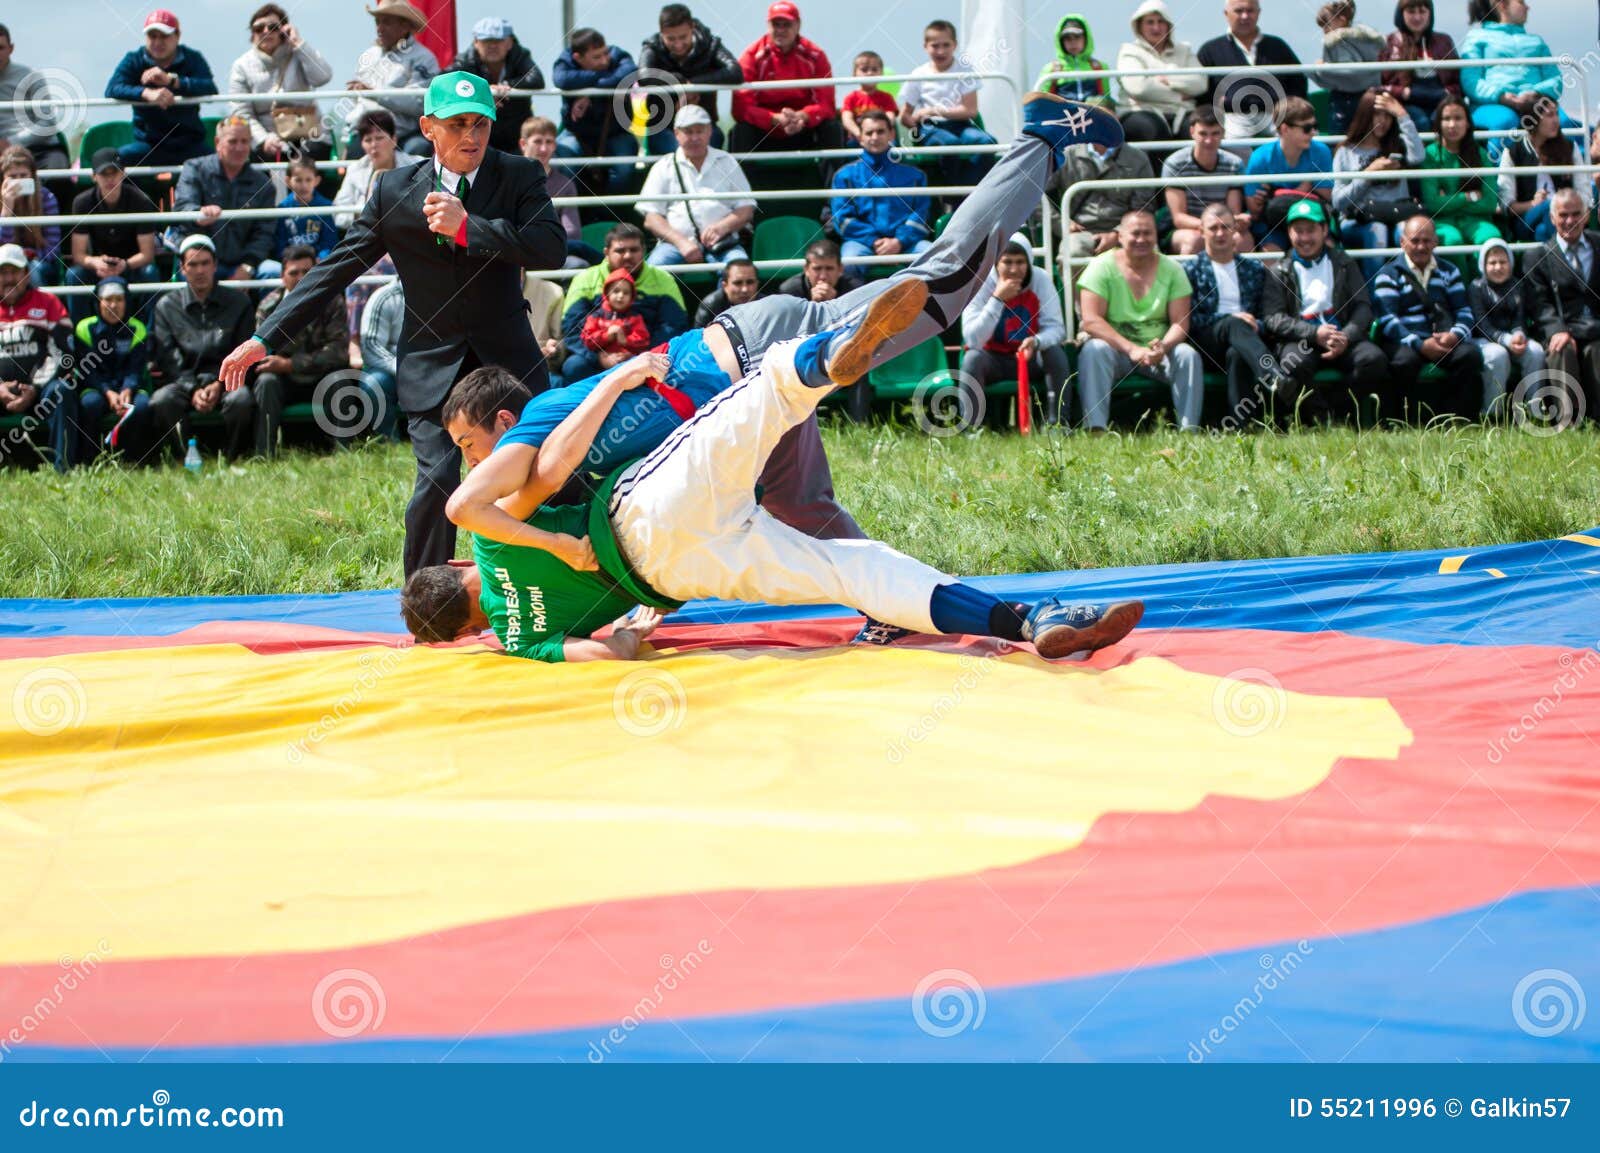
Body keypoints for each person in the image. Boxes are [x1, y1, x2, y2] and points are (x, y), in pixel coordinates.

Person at [438, 92, 1125, 602]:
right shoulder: (540, 465)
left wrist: (539, 543)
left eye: (469, 445)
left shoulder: (530, 436)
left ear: (500, 423)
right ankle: (894, 601)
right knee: (806, 511)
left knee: (945, 286)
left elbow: (467, 508)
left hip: (750, 352)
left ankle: (1040, 137)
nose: (473, 463)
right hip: (750, 390)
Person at [406, 290, 1146, 664]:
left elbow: (603, 653)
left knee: (851, 570)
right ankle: (830, 356)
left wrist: (629, 631)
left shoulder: (513, 634)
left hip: (684, 570)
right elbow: (495, 496)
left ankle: (1027, 622)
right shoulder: (497, 539)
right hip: (635, 512)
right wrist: (567, 545)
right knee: (758, 399)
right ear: (453, 563)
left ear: (462, 630)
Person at [218, 71, 567, 575]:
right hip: (431, 363)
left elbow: (550, 249)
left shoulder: (519, 175)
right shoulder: (392, 190)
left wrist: (471, 228)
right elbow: (335, 269)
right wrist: (263, 336)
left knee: (539, 475)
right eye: (457, 124)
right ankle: (428, 606)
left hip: (507, 361)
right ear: (428, 127)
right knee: (439, 482)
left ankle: (551, 593)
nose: (471, 137)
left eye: (481, 124)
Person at [1259, 199, 1387, 421]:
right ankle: (1318, 417)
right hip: (1302, 338)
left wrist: (1346, 336)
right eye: (1299, 231)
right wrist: (1312, 333)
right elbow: (1273, 318)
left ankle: (1339, 412)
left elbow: (1363, 306)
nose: (1305, 238)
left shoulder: (1344, 262)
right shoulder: (1279, 270)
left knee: (1373, 359)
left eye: (1311, 230)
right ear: (1289, 233)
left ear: (1324, 230)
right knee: (1293, 362)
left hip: (1342, 334)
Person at [1077, 210, 1202, 431]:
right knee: (1093, 350)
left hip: (1158, 352)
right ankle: (1095, 428)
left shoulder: (1173, 269)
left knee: (1187, 355)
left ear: (1156, 236)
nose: (1142, 239)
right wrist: (1132, 349)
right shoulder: (1100, 267)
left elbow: (1180, 322)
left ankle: (1189, 430)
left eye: (1148, 233)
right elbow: (1091, 321)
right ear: (1121, 236)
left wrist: (1163, 346)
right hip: (1115, 351)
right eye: (1135, 233)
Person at [150, 235, 257, 460]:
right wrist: (193, 389)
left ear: (215, 265)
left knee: (241, 400)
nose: (200, 270)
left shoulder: (239, 303)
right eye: (193, 264)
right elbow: (169, 358)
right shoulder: (166, 306)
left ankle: (233, 456)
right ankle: (185, 458)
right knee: (162, 400)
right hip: (184, 380)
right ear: (182, 268)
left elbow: (243, 351)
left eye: (205, 263)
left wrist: (219, 384)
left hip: (228, 380)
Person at [1371, 215, 1483, 418]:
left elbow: (1464, 312)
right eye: (1414, 241)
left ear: (1436, 242)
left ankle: (1458, 418)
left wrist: (1455, 336)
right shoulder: (1388, 273)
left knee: (1470, 356)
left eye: (1426, 241)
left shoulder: (1450, 271)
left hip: (1444, 339)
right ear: (1402, 242)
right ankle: (1405, 420)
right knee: (1403, 362)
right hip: (1406, 341)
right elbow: (1387, 320)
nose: (1421, 246)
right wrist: (1419, 344)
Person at [332, 109, 421, 363]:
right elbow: (339, 213)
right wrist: (369, 213)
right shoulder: (356, 171)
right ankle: (355, 341)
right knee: (356, 272)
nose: (373, 145)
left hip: (409, 241)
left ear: (393, 138)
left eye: (379, 138)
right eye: (368, 140)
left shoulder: (416, 164)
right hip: (373, 242)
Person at [1182, 202, 1285, 415]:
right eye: (1213, 228)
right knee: (1233, 323)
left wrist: (1253, 324)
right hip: (1207, 343)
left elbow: (1267, 316)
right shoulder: (1190, 270)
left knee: (1236, 353)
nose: (1220, 233)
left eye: (1226, 227)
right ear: (1201, 231)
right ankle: (1273, 376)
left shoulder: (1254, 269)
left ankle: (1242, 424)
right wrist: (1231, 319)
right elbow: (1190, 320)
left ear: (1235, 230)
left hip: (1246, 342)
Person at [252, 244, 355, 454]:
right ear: (283, 276)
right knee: (266, 382)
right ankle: (264, 454)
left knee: (341, 379)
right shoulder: (268, 307)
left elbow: (338, 352)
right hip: (285, 383)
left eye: (306, 272)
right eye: (293, 273)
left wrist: (290, 364)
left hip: (322, 377)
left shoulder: (333, 300)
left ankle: (345, 454)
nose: (300, 278)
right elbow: (265, 356)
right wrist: (284, 366)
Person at [960, 236, 1071, 425]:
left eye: (1020, 262)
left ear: (1029, 262)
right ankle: (970, 427)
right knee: (972, 358)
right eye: (1007, 262)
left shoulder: (1041, 279)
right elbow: (972, 338)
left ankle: (1058, 423)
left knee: (1055, 353)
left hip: (1029, 356)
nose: (1013, 269)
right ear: (996, 263)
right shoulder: (981, 282)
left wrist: (1037, 341)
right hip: (992, 357)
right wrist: (997, 300)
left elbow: (1056, 328)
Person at [560, 224, 689, 381]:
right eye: (620, 250)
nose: (628, 255)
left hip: (649, 355)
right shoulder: (585, 279)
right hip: (596, 356)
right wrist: (600, 357)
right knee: (574, 366)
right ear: (606, 253)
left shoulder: (663, 279)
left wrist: (641, 356)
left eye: (634, 250)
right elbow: (572, 327)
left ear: (644, 251)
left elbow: (673, 326)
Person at [636, 104, 754, 268]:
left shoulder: (727, 161)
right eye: (688, 132)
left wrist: (723, 227)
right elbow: (651, 218)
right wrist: (681, 242)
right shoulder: (663, 166)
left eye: (700, 131)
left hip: (723, 243)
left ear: (710, 132)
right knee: (655, 270)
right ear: (677, 134)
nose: (695, 137)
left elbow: (746, 208)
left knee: (741, 271)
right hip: (673, 246)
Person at [1331, 88, 1425, 280]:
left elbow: (1418, 156)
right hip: (1359, 221)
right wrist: (1368, 175)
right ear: (1366, 115)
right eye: (1377, 115)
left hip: (1396, 215)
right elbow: (1338, 201)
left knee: (1408, 231)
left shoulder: (1398, 145)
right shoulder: (1346, 151)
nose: (1383, 121)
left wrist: (1402, 114)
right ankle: (1376, 297)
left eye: (1388, 116)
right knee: (1378, 231)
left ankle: (1408, 291)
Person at [104, 9, 217, 168]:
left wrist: (172, 81)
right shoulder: (134, 59)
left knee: (220, 164)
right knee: (112, 163)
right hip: (149, 144)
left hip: (189, 142)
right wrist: (146, 93)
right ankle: (134, 194)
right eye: (152, 36)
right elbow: (112, 88)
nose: (157, 42)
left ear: (177, 36)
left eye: (164, 36)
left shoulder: (192, 58)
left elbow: (209, 87)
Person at [1524, 188, 1600, 425]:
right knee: (1562, 350)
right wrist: (1557, 328)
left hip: (1596, 328)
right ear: (1553, 217)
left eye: (1576, 214)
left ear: (1586, 215)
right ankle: (1568, 420)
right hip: (1561, 327)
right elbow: (1538, 303)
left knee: (1597, 350)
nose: (1570, 221)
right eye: (1563, 215)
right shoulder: (1537, 256)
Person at [172, 117, 279, 282]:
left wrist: (247, 267)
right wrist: (198, 215)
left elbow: (264, 234)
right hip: (202, 260)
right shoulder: (194, 169)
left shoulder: (263, 184)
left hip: (245, 263)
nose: (240, 147)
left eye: (245, 141)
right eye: (232, 141)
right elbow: (182, 208)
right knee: (192, 269)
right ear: (217, 142)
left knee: (273, 272)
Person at [899, 20, 998, 190]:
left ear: (955, 45)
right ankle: (954, 192)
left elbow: (970, 110)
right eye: (935, 45)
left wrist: (934, 110)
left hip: (960, 126)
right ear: (925, 46)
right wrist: (914, 121)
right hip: (930, 129)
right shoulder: (918, 74)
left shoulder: (965, 71)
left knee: (986, 141)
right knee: (949, 143)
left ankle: (971, 190)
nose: (941, 51)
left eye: (946, 45)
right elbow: (905, 115)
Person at [0, 242, 74, 471]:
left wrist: (34, 388)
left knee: (62, 390)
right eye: (2, 272)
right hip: (2, 393)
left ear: (27, 274)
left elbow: (63, 354)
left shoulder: (48, 303)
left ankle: (63, 468)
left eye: (14, 272)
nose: (9, 278)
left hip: (41, 391)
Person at [227, 5, 334, 163]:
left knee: (309, 161)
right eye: (259, 28)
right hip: (268, 136)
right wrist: (264, 139)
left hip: (308, 132)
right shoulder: (241, 65)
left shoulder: (299, 53)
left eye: (273, 27)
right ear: (252, 34)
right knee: (262, 161)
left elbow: (323, 77)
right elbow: (241, 111)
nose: (266, 31)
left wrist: (299, 44)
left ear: (284, 31)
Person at [730, 2, 841, 153]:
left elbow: (827, 104)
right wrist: (774, 119)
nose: (781, 30)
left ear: (798, 25)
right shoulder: (753, 56)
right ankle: (740, 178)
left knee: (832, 127)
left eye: (786, 24)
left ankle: (834, 177)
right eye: (776, 24)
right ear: (768, 25)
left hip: (803, 129)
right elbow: (741, 108)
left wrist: (803, 116)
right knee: (741, 130)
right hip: (764, 131)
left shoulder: (815, 56)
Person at [63, 150, 159, 323]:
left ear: (123, 173)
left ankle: (149, 337)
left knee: (150, 273)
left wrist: (126, 265)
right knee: (74, 275)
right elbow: (78, 255)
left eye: (114, 172)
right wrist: (96, 262)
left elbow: (147, 254)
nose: (109, 179)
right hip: (98, 266)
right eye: (103, 174)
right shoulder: (82, 202)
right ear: (94, 177)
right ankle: (79, 337)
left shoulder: (141, 201)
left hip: (132, 265)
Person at [830, 109, 932, 268]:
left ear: (892, 134)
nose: (875, 137)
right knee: (850, 261)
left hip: (907, 243)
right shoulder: (844, 176)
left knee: (931, 256)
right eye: (869, 133)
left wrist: (899, 241)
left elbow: (921, 214)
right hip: (863, 244)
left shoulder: (915, 175)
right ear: (860, 138)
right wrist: (874, 241)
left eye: (880, 131)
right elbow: (842, 218)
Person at [637, 4, 743, 154]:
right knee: (682, 154)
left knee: (703, 148)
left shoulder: (710, 44)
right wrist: (680, 84)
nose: (678, 44)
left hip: (704, 126)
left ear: (692, 28)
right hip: (664, 128)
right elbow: (644, 77)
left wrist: (694, 84)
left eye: (683, 37)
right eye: (671, 39)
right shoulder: (652, 47)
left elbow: (735, 72)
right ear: (661, 34)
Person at [1197, 0, 1308, 144]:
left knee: (1293, 138)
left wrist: (1289, 109)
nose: (1245, 16)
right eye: (1239, 11)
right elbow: (1201, 92)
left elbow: (1298, 81)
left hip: (1274, 115)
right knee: (1233, 144)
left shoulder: (1278, 46)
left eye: (1250, 11)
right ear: (1226, 14)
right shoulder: (1210, 50)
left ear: (1258, 13)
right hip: (1233, 117)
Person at [1459, 0, 1567, 140]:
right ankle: (1501, 162)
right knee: (1505, 122)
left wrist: (1536, 93)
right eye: (1521, 2)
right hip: (1492, 104)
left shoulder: (1537, 41)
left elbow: (1556, 79)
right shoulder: (1476, 38)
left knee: (1563, 122)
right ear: (1503, 5)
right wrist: (1500, 96)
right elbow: (1470, 80)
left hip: (1537, 103)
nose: (1528, 7)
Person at [72, 277, 152, 464]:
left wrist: (127, 389)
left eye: (119, 299)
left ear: (126, 302)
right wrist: (107, 392)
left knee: (141, 406)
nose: (113, 305)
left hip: (127, 387)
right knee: (90, 404)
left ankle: (134, 460)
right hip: (97, 387)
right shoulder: (85, 328)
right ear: (98, 302)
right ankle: (90, 459)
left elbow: (136, 367)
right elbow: (87, 371)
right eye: (108, 300)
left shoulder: (137, 328)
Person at [347, 0, 439, 158]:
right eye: (377, 22)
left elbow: (419, 103)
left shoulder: (424, 58)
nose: (379, 29)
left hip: (406, 135)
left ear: (405, 27)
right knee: (353, 152)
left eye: (386, 23)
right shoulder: (369, 56)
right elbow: (356, 105)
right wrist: (347, 135)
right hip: (368, 134)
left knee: (418, 149)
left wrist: (374, 93)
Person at [552, 27, 638, 194]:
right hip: (577, 134)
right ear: (577, 58)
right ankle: (579, 213)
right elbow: (561, 79)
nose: (605, 60)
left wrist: (589, 93)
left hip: (617, 132)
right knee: (564, 162)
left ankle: (611, 213)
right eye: (597, 57)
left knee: (625, 169)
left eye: (605, 53)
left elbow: (630, 72)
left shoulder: (617, 54)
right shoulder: (565, 61)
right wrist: (607, 78)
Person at [1242, 97, 1333, 251]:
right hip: (1272, 227)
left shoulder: (1321, 152)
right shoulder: (1260, 157)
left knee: (1328, 252)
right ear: (1285, 129)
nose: (1313, 132)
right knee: (1270, 256)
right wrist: (1304, 189)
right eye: (1307, 128)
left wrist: (1275, 196)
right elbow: (1255, 210)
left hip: (1311, 223)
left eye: (1315, 126)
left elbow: (1325, 196)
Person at [1468, 237, 1545, 418]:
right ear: (1483, 265)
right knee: (1498, 355)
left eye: (1503, 262)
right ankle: (1493, 414)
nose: (1498, 267)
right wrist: (1506, 340)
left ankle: (1534, 410)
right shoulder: (1476, 288)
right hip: (1484, 340)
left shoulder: (1517, 285)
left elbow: (1519, 318)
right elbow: (1481, 323)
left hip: (1512, 337)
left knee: (1535, 351)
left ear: (1510, 263)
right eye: (1492, 262)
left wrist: (1519, 335)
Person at [1498, 98, 1593, 243]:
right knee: (1551, 204)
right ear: (1533, 119)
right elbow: (1506, 205)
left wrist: (1575, 208)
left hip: (1568, 218)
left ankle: (1558, 261)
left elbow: (1584, 191)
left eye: (1556, 114)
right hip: (1526, 220)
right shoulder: (1513, 152)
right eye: (1549, 115)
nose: (1555, 120)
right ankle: (1570, 253)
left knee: (1542, 232)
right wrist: (1532, 204)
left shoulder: (1569, 148)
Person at [1421, 97, 1502, 265]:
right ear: (1438, 124)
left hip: (1477, 221)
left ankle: (1482, 290)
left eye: (1458, 118)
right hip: (1443, 222)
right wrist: (1468, 196)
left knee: (1490, 238)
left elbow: (1489, 202)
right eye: (1446, 119)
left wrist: (1449, 199)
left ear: (1467, 123)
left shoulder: (1479, 153)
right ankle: (1461, 290)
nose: (1452, 125)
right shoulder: (1429, 154)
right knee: (1452, 240)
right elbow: (1433, 204)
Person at [450, 18, 545, 157]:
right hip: (476, 136)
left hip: (517, 135)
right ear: (476, 42)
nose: (492, 46)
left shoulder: (520, 55)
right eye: (487, 41)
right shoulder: (464, 61)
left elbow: (537, 80)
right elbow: (445, 83)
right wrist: (484, 91)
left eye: (498, 41)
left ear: (509, 43)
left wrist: (506, 86)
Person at [1115, 1, 1205, 146]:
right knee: (1153, 131)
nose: (1156, 27)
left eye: (1161, 22)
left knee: (1198, 132)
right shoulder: (1129, 51)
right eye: (1150, 22)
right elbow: (1139, 87)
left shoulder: (1184, 50)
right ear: (1139, 26)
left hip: (1181, 114)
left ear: (1169, 25)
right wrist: (1179, 96)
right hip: (1140, 112)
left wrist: (1168, 80)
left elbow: (1200, 82)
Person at [1163, 108, 1250, 256]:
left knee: (1243, 240)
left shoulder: (1234, 164)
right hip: (1187, 229)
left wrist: (1233, 223)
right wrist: (1212, 227)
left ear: (1223, 132)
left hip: (1222, 225)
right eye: (1203, 133)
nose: (1209, 140)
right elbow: (1179, 218)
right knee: (1193, 240)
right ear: (1192, 132)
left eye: (1215, 133)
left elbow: (1233, 211)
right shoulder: (1174, 163)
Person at [1053, 139, 1157, 259]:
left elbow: (1144, 206)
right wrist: (1061, 223)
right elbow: (1036, 193)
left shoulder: (1138, 158)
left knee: (1147, 249)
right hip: (1079, 232)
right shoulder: (1065, 155)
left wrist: (1118, 233)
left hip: (1128, 231)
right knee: (1073, 251)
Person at [518, 116, 589, 270]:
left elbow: (572, 233)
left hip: (551, 254)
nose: (544, 149)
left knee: (578, 264)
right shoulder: (506, 179)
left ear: (555, 145)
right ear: (523, 144)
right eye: (538, 141)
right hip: (515, 254)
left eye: (549, 142)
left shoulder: (565, 184)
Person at [0, 25, 72, 176]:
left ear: (11, 48)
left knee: (58, 169)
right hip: (2, 156)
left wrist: (11, 143)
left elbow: (48, 123)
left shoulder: (30, 76)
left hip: (38, 149)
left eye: (0, 48)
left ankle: (51, 200)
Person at [1379, 0, 1461, 131]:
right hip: (1404, 104)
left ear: (1430, 13)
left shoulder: (1444, 41)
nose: (1417, 17)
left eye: (1422, 11)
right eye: (1411, 12)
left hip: (1440, 101)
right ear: (1401, 14)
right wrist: (1403, 92)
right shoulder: (1389, 43)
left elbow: (1458, 81)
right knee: (1419, 121)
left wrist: (1446, 92)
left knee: (1443, 120)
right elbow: (1379, 84)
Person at [1311, 1, 1386, 134]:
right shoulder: (1371, 41)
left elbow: (1343, 74)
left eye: (1327, 24)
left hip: (1342, 100)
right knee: (1368, 136)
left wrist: (1316, 70)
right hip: (1370, 96)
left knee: (1339, 138)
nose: (1325, 30)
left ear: (1342, 19)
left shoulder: (1335, 42)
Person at [0, 146, 60, 286]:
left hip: (37, 262)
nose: (18, 181)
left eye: (23, 175)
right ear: (3, 178)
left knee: (32, 271)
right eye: (12, 177)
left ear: (32, 176)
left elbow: (53, 249)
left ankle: (36, 308)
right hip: (3, 260)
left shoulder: (47, 198)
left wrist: (28, 256)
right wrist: (6, 211)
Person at [357, 276, 403, 438]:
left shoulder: (439, 294)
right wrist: (405, 370)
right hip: (394, 371)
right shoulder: (384, 297)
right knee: (374, 384)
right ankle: (388, 444)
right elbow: (371, 347)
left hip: (434, 367)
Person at [580, 267, 656, 363]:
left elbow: (644, 341)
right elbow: (587, 339)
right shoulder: (596, 316)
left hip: (628, 361)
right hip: (600, 362)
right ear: (606, 293)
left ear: (632, 296)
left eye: (626, 293)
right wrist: (606, 336)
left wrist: (626, 341)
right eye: (616, 291)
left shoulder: (635, 318)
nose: (620, 296)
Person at [273, 156, 339, 264]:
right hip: (291, 262)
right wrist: (290, 260)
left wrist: (321, 258)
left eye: (308, 180)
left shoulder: (325, 206)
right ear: (288, 181)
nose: (304, 185)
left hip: (318, 262)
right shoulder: (282, 208)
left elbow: (330, 242)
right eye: (298, 180)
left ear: (316, 181)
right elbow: (280, 244)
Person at [1036, 16, 1111, 106]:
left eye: (1077, 37)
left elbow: (1107, 101)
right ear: (1061, 42)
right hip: (1063, 117)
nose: (1073, 42)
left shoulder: (1100, 67)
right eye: (1068, 38)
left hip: (1093, 116)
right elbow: (1042, 104)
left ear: (1086, 39)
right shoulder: (1051, 70)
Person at [778, 238, 863, 302]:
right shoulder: (790, 291)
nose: (823, 276)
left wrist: (835, 303)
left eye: (829, 268)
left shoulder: (855, 289)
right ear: (806, 269)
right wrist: (812, 305)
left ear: (840, 269)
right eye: (817, 269)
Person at [841, 51, 899, 144]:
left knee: (892, 145)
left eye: (874, 69)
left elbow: (890, 118)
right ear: (854, 74)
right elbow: (846, 119)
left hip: (882, 138)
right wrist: (859, 134)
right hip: (858, 139)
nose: (869, 73)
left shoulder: (887, 97)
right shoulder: (851, 98)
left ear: (881, 73)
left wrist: (879, 133)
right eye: (864, 70)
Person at [522, 271, 567, 386]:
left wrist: (554, 351)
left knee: (555, 382)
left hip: (539, 367)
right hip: (496, 371)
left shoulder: (553, 292)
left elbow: (560, 340)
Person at [694, 257, 761, 325]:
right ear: (724, 286)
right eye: (738, 283)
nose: (744, 289)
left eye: (750, 282)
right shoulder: (711, 305)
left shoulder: (766, 305)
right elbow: (699, 334)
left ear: (757, 283)